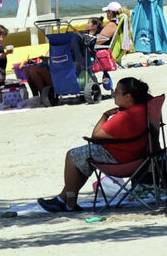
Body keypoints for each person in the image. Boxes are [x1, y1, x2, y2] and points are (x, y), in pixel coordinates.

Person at [37, 77, 151, 213]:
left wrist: (105, 115)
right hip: (137, 154)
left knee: (72, 156)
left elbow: (96, 135)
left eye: (117, 92)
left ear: (128, 96)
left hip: (121, 158)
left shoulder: (126, 116)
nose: (114, 94)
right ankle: (62, 199)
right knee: (83, 160)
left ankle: (69, 203)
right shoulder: (143, 106)